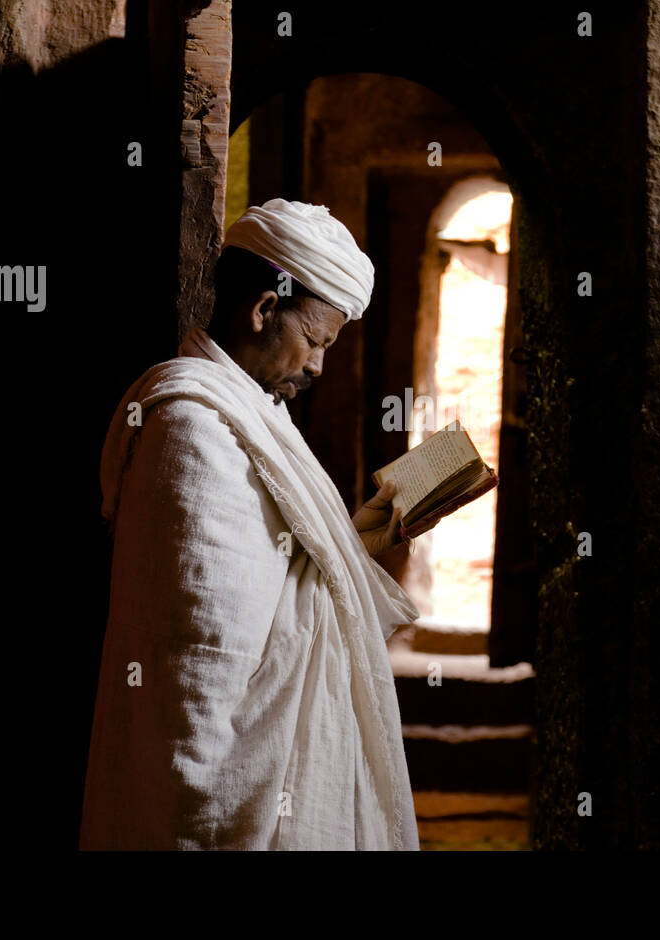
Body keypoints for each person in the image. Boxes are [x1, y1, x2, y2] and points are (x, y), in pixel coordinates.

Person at [80, 198, 435, 850]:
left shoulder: (255, 414)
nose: (319, 366)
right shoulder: (191, 427)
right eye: (317, 340)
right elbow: (203, 660)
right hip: (223, 787)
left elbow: (280, 577)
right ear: (265, 308)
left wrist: (364, 538)